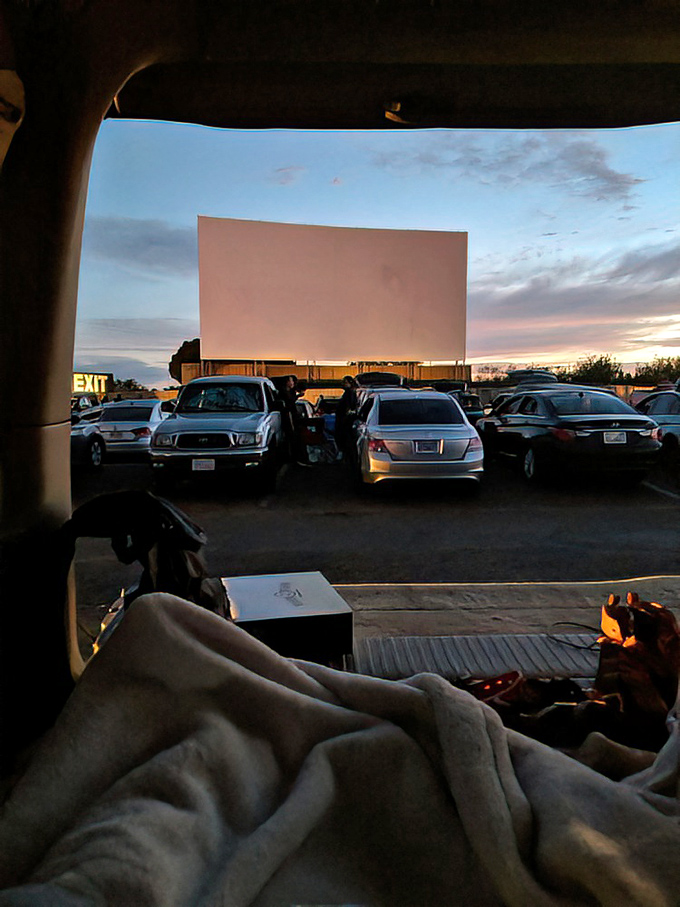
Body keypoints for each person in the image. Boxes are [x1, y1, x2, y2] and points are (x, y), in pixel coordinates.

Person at [334, 375, 358, 458]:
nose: (343, 384)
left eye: (345, 382)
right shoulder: (350, 393)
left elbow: (348, 407)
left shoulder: (349, 393)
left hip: (344, 421)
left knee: (344, 439)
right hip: (344, 420)